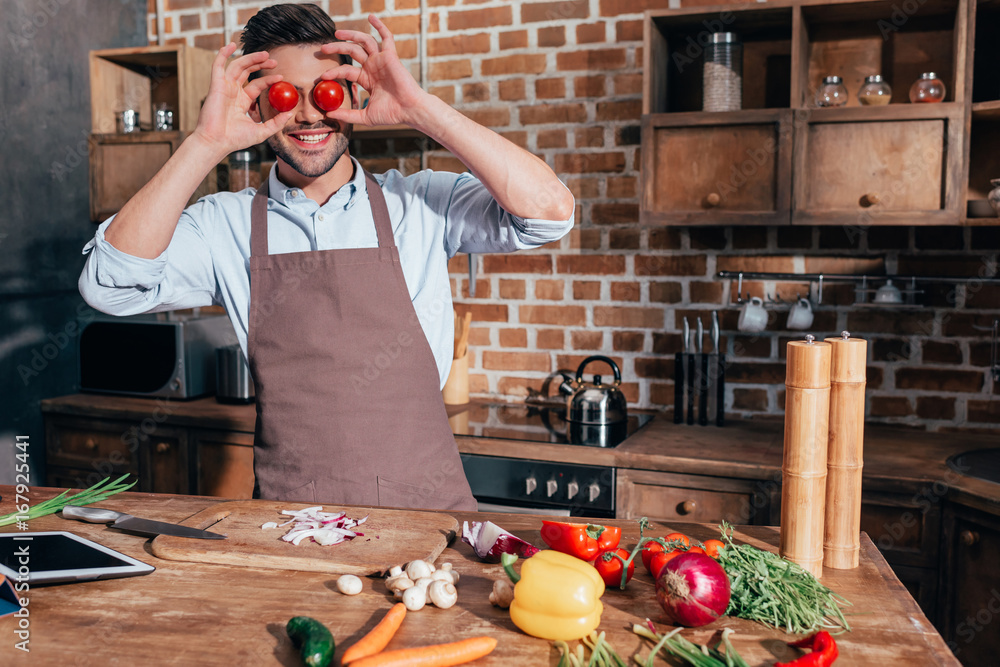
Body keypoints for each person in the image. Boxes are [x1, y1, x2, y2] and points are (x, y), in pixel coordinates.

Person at [78, 4, 574, 511]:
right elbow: (108, 284)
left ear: (356, 93)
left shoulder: (422, 204)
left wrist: (418, 108)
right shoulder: (223, 225)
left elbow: (549, 214)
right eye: (286, 95)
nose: (311, 114)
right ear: (259, 105)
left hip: (428, 528)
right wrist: (206, 144)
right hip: (294, 528)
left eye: (327, 91)